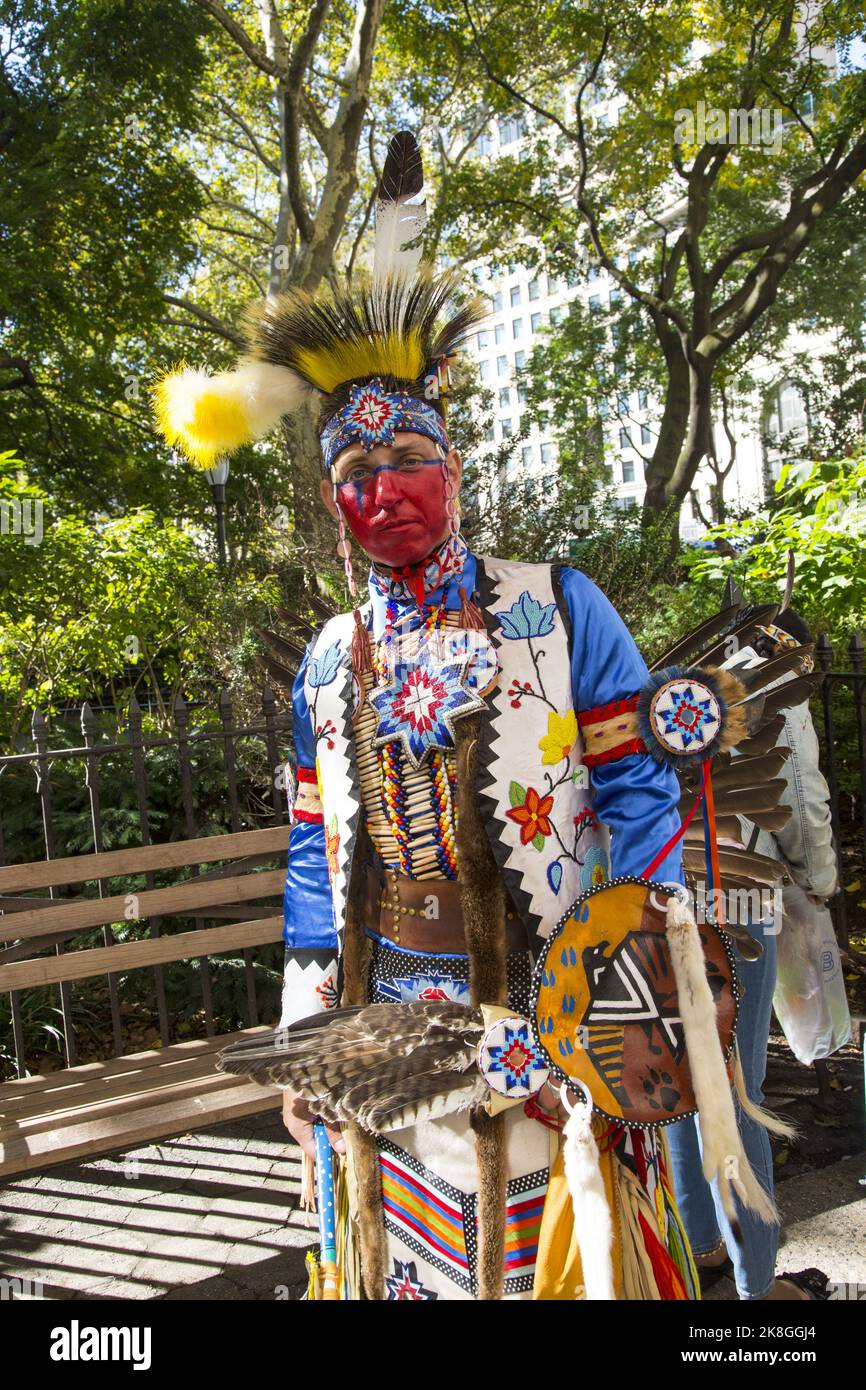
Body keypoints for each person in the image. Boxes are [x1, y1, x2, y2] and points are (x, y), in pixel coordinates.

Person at [156, 132, 787, 1301]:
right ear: (331, 498)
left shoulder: (558, 611)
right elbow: (315, 848)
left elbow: (643, 796)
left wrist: (609, 990)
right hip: (382, 1022)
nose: (380, 487)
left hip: (552, 1002)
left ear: (452, 461)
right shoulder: (330, 662)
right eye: (352, 470)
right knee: (408, 1270)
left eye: (405, 455)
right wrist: (306, 1029)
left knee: (564, 1254)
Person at [665, 607, 837, 1301]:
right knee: (739, 1090)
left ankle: (697, 1246)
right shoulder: (773, 699)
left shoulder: (675, 689)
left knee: (676, 1085)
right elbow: (799, 800)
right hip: (736, 900)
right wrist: (820, 884)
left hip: (661, 895)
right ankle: (758, 1283)